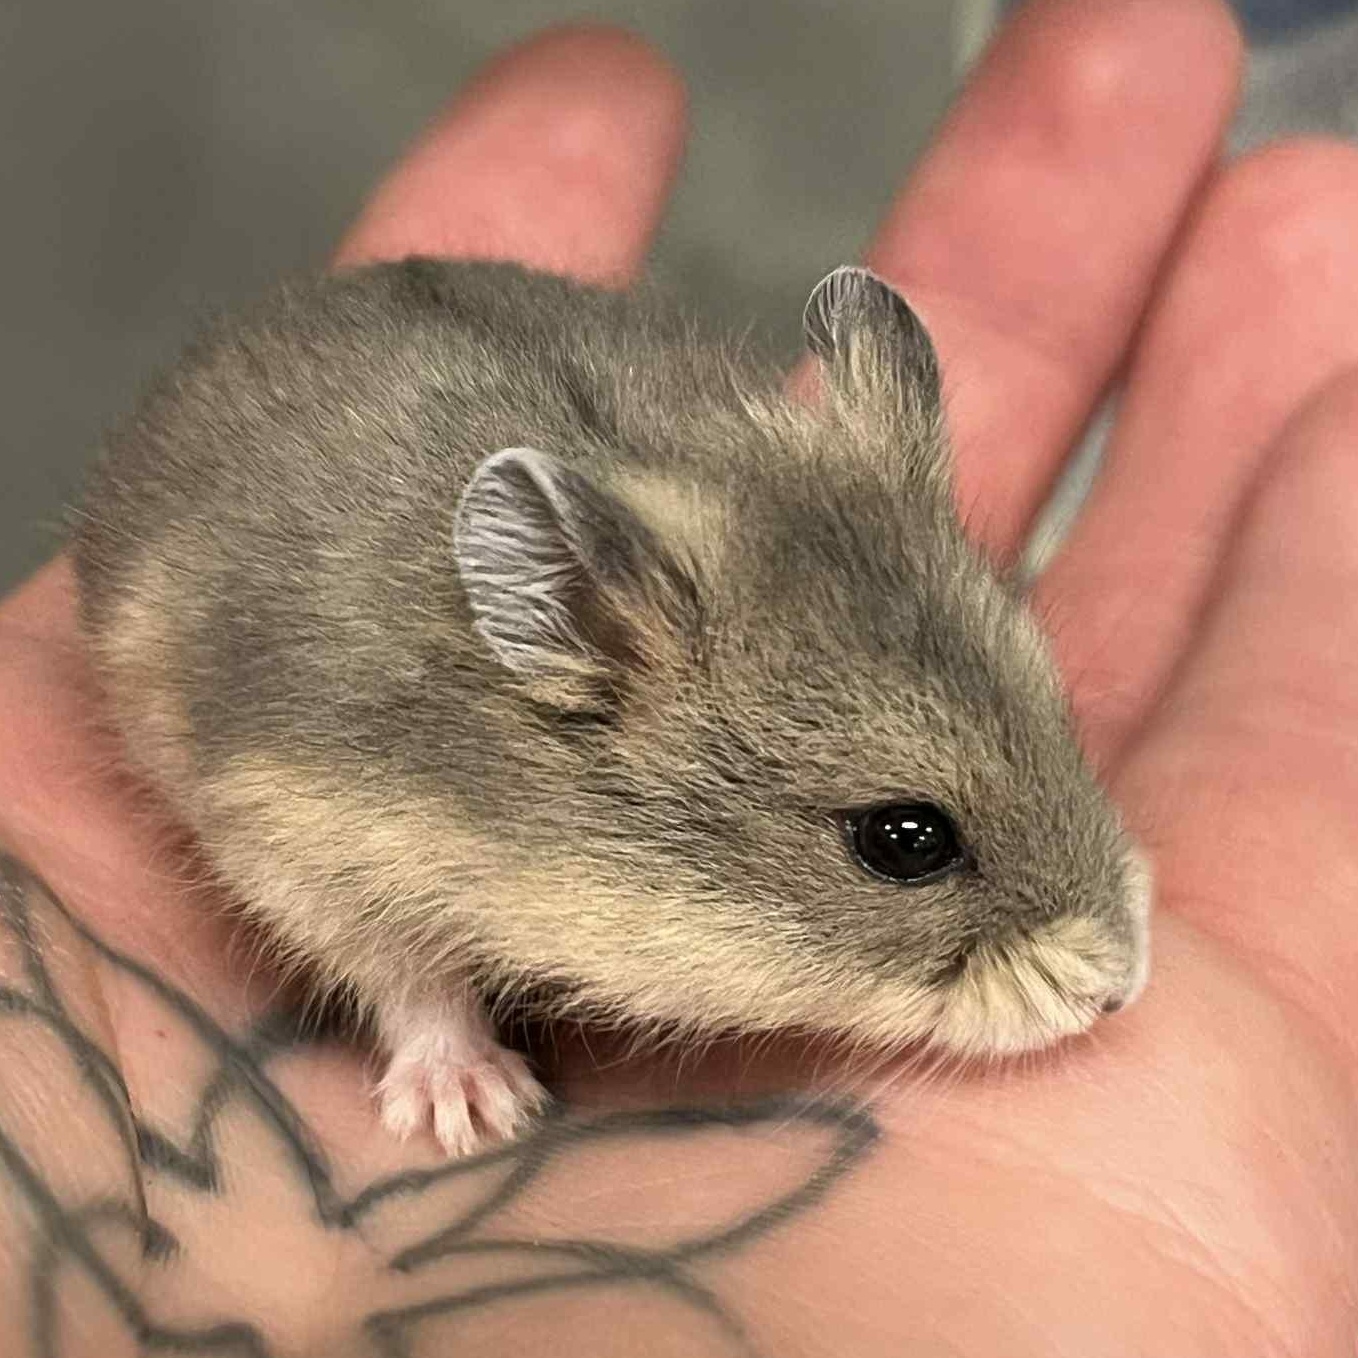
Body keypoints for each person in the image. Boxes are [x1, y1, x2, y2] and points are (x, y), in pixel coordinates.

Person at [2, 0, 1357, 1351]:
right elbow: (274, 802)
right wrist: (430, 1024)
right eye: (902, 840)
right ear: (582, 655)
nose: (1109, 964)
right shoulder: (415, 759)